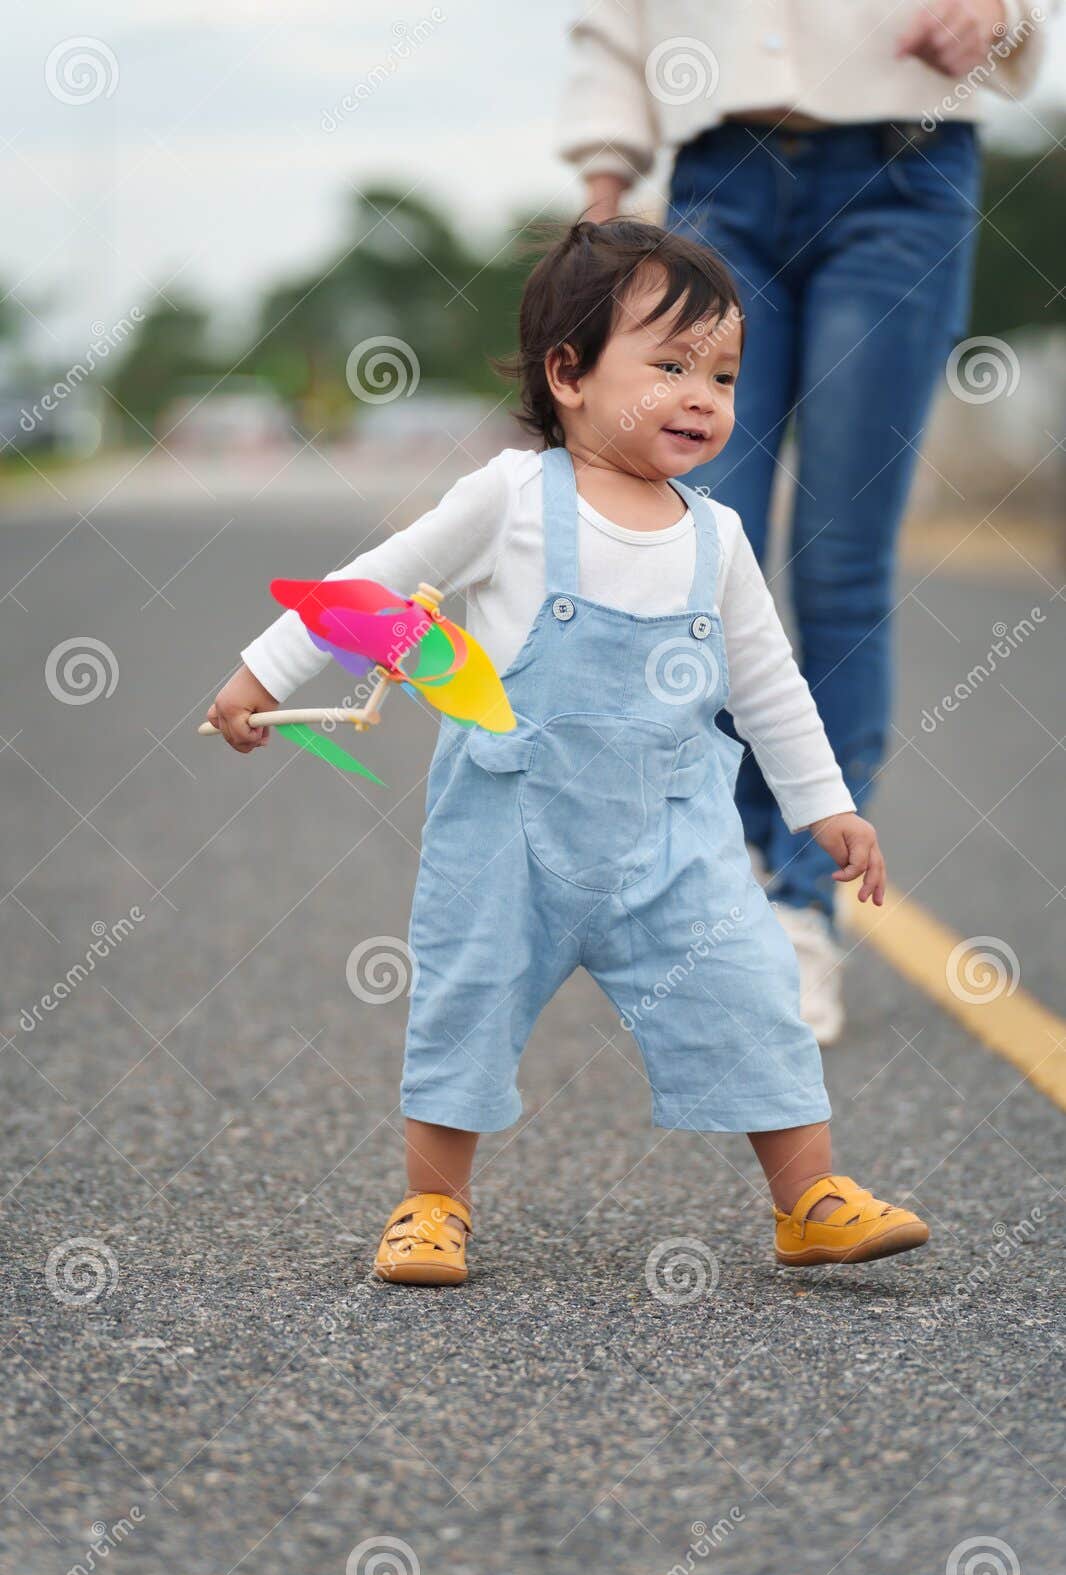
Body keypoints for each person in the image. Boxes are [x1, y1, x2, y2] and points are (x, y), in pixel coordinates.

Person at [209, 219, 931, 1287]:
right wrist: (263, 672)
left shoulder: (715, 537)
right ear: (570, 373)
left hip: (675, 839)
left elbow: (769, 685)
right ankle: (431, 1204)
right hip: (509, 833)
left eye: (724, 375)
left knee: (752, 991)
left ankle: (810, 1199)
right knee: (464, 1000)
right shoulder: (508, 499)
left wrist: (824, 806)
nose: (703, 395)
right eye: (672, 365)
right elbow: (371, 585)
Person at [558, 0, 1053, 1043]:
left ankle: (798, 911)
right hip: (716, 184)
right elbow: (614, 18)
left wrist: (999, 18)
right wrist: (603, 190)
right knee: (696, 544)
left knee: (838, 562)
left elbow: (1012, 17)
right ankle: (719, 880)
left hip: (906, 173)